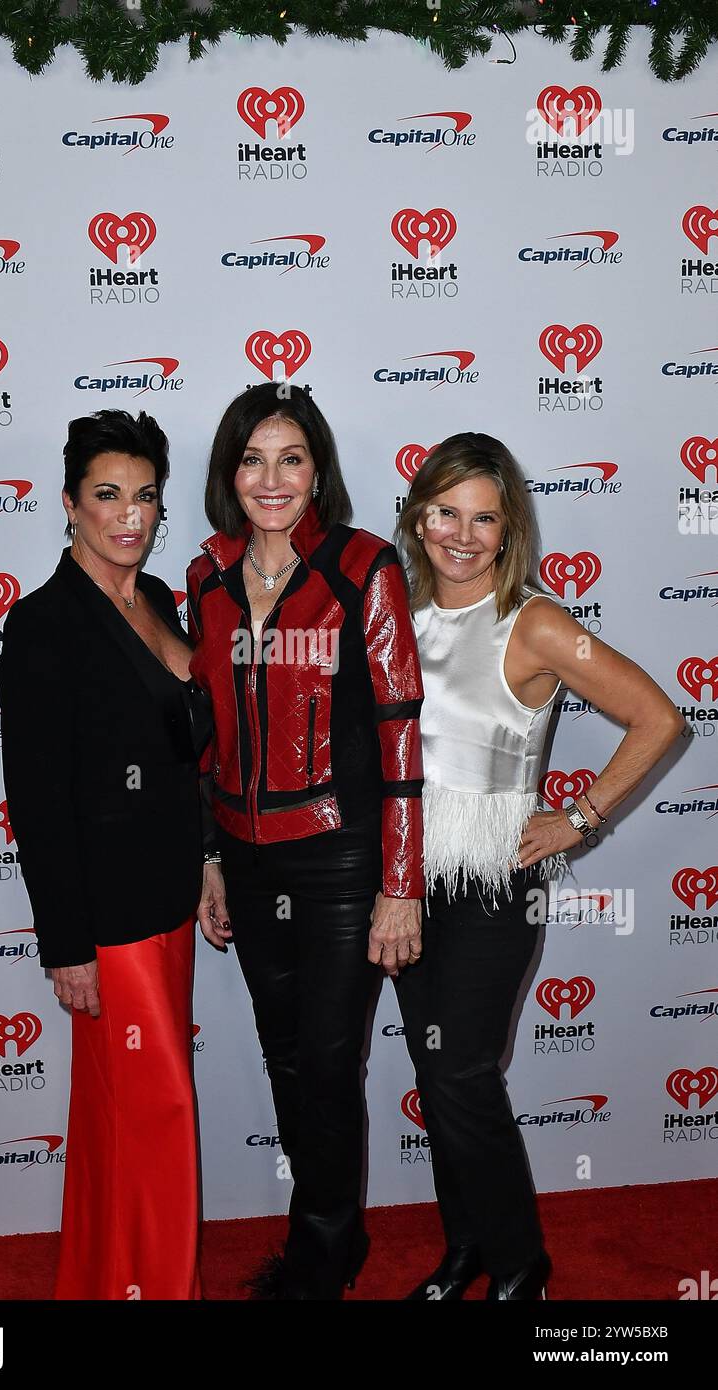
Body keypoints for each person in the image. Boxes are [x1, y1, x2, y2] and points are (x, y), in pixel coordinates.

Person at [393, 431, 686, 1301]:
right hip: (410, 880)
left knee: (462, 1072)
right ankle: (464, 1252)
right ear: (417, 516)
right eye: (446, 511)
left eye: (485, 517)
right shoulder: (395, 612)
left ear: (509, 527)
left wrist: (581, 820)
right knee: (436, 1075)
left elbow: (660, 718)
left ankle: (522, 1268)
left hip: (492, 881)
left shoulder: (535, 620)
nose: (462, 533)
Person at [186, 382, 425, 1299]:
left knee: (328, 1060)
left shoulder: (366, 570)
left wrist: (399, 884)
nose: (271, 478)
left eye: (291, 458)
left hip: (340, 858)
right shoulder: (204, 580)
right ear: (229, 473)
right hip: (246, 859)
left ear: (317, 467)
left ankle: (323, 1256)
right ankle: (330, 1234)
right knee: (285, 1055)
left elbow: (403, 734)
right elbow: (207, 736)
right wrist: (209, 855)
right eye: (252, 458)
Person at [0, 408, 211, 1300]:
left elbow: (180, 757)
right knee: (153, 1113)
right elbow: (36, 800)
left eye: (146, 496)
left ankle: (105, 1277)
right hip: (109, 921)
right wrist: (66, 944)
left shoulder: (158, 599)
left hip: (169, 903)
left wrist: (208, 863)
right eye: (107, 495)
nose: (130, 515)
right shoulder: (44, 625)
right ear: (70, 504)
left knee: (127, 1115)